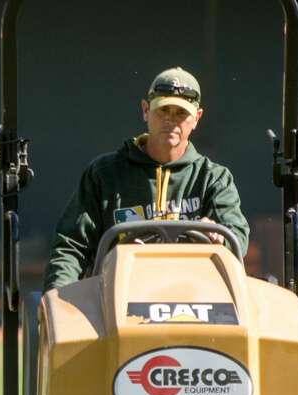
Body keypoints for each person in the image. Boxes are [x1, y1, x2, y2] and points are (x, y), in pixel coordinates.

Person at [44, 67, 250, 290]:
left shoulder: (213, 178)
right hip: (115, 296)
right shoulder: (105, 174)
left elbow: (237, 237)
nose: (171, 120)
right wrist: (58, 299)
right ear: (145, 110)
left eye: (181, 113)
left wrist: (220, 236)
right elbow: (72, 246)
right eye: (163, 110)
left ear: (197, 118)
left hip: (195, 298)